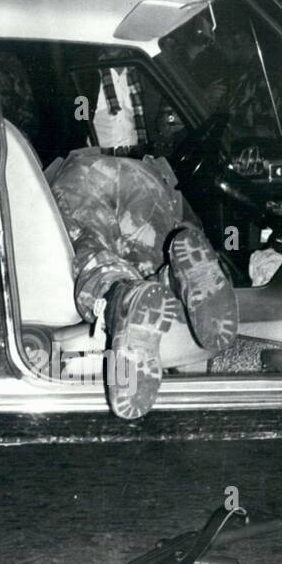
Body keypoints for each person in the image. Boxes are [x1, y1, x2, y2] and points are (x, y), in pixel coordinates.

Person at [48, 147, 238, 420]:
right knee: (150, 270)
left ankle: (120, 299)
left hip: (84, 177)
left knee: (89, 255)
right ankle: (174, 279)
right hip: (149, 178)